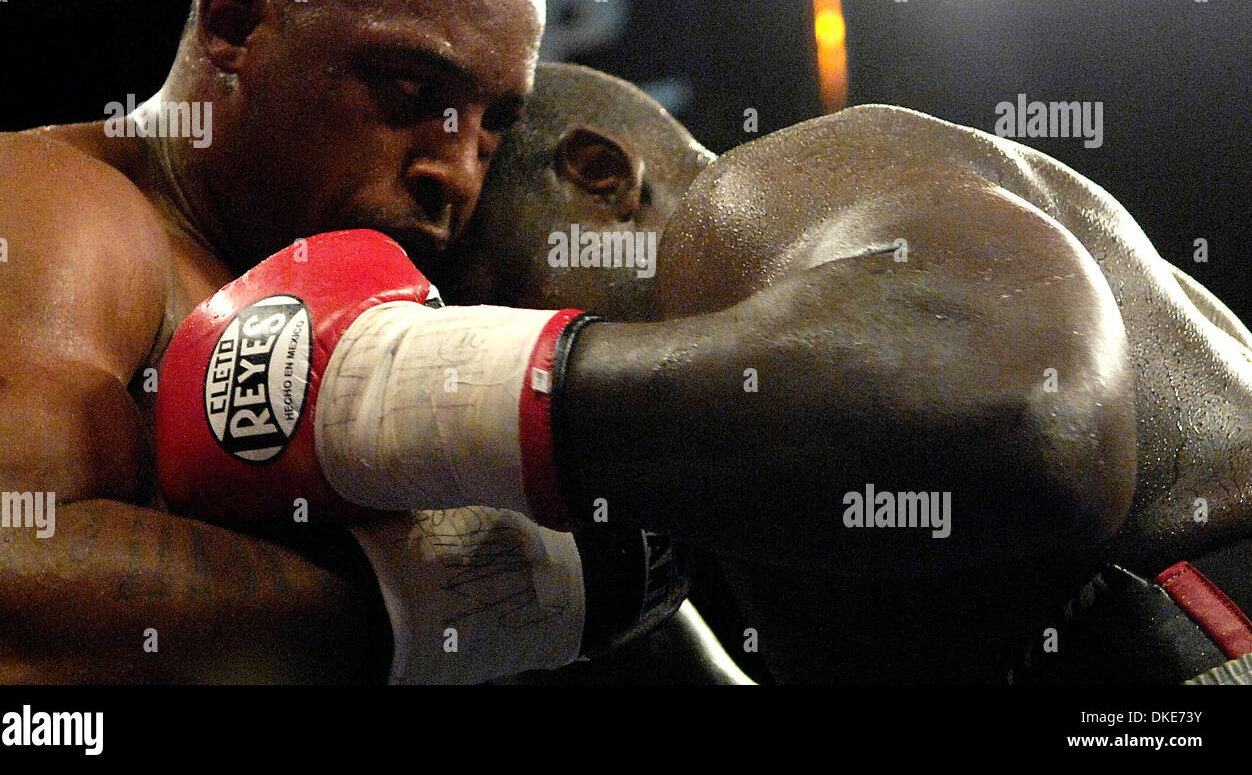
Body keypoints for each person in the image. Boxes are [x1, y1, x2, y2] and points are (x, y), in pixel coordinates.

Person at [0, 0, 551, 683]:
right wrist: (436, 603)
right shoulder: (50, 204)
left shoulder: (376, 295)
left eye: (494, 125)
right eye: (412, 91)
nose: (455, 172)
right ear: (234, 28)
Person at [434, 64, 1252, 683]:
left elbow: (1037, 413)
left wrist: (478, 386)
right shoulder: (751, 459)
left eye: (498, 307)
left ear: (601, 176)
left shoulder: (756, 196)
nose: (504, 339)